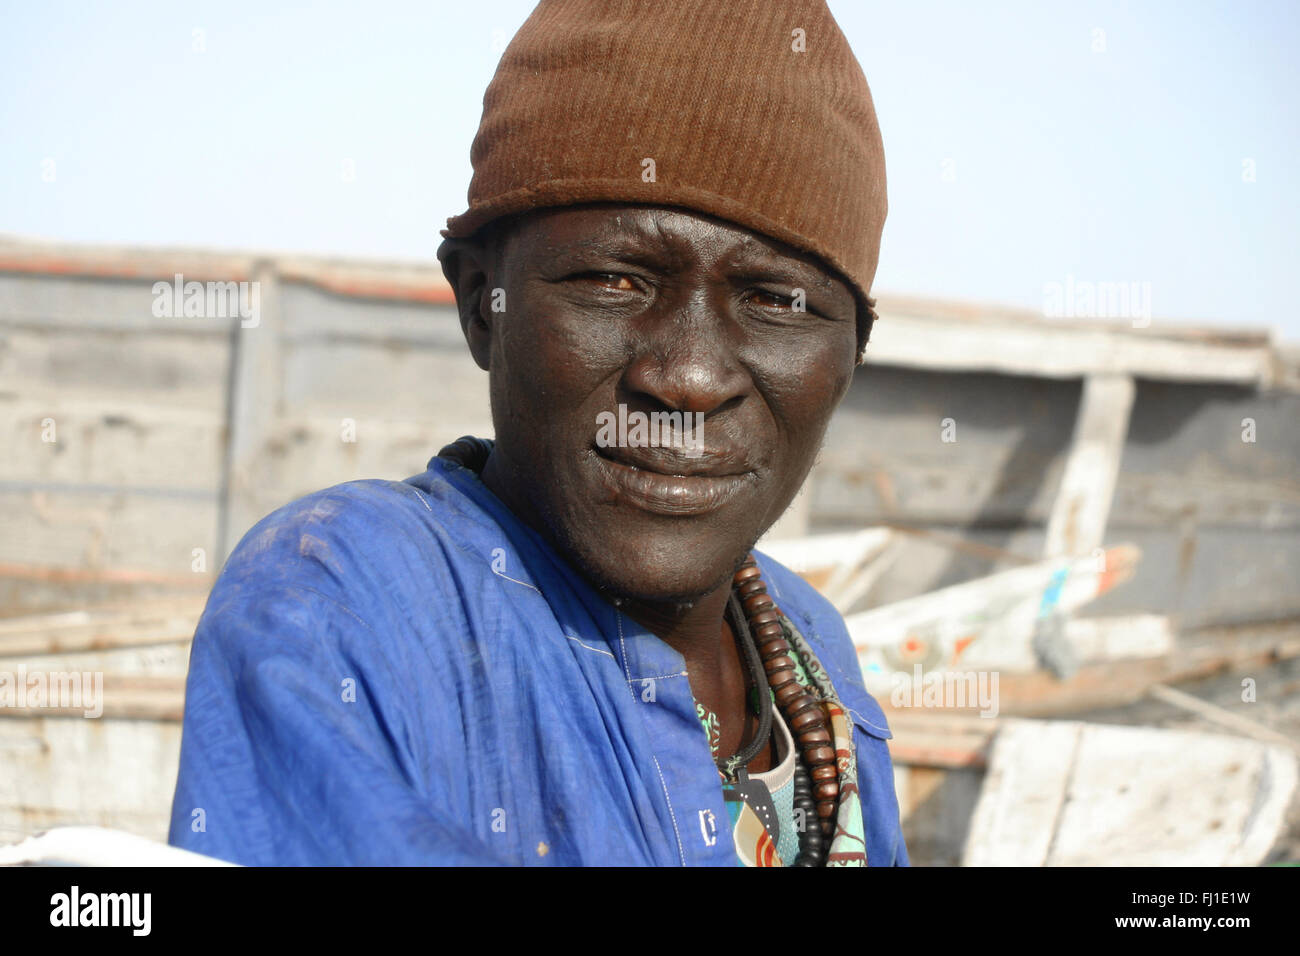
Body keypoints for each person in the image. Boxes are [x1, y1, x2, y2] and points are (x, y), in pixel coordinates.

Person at [168, 0, 907, 866]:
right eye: (614, 280)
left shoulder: (811, 646)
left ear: (850, 352)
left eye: (777, 302)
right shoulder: (343, 596)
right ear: (484, 303)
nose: (690, 378)